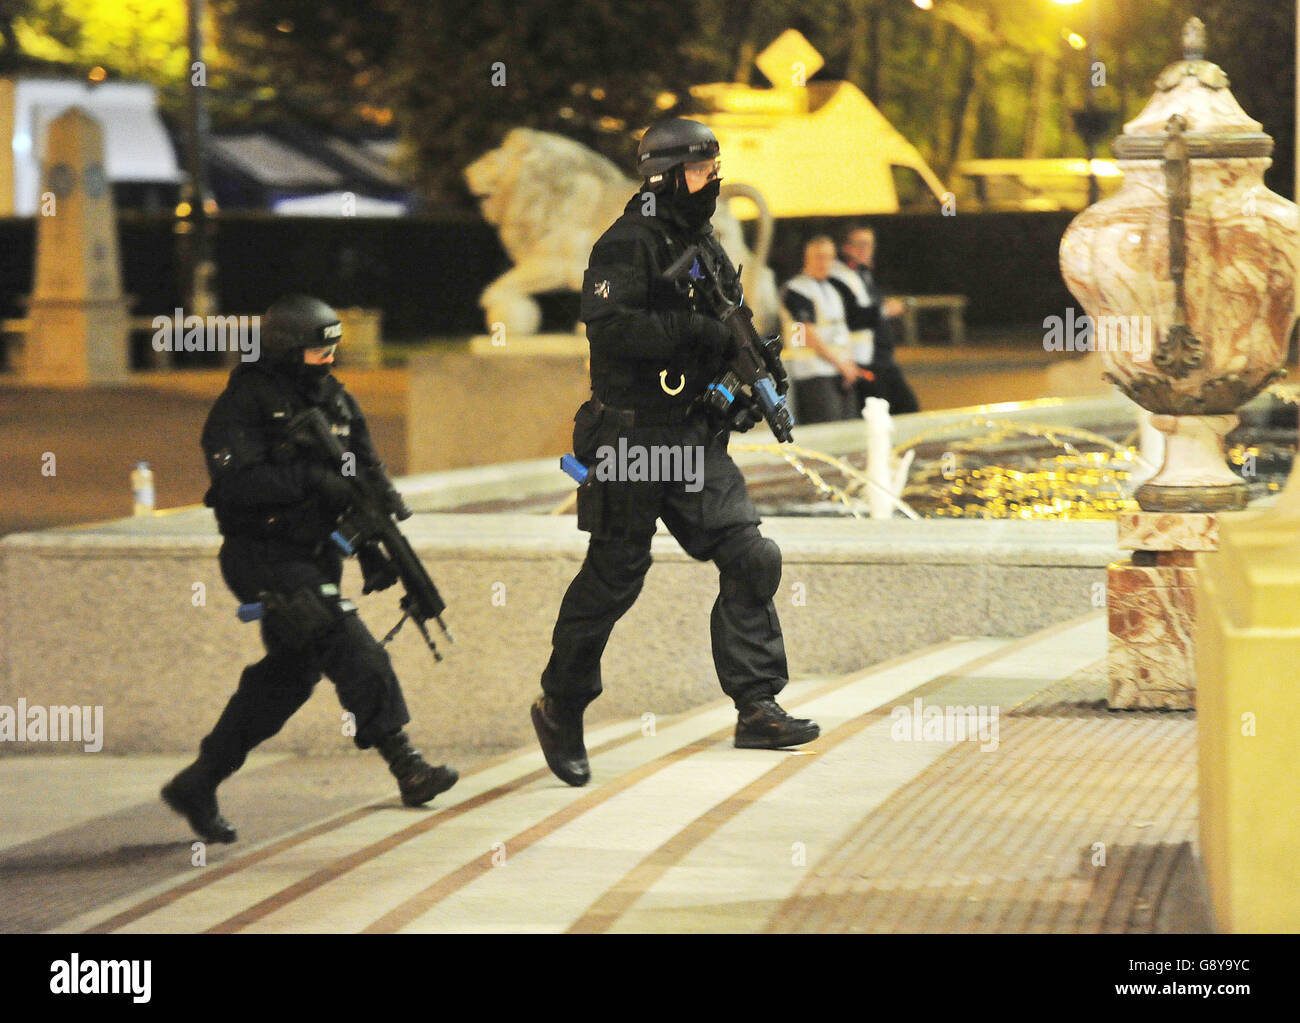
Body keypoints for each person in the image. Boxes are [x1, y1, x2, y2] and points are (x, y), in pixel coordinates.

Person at [531, 117, 820, 787]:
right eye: (700, 171)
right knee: (614, 575)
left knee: (751, 554)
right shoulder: (626, 243)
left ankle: (756, 705)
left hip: (691, 438)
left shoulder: (706, 247)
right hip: (631, 436)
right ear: (663, 175)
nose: (712, 182)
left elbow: (732, 328)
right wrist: (697, 331)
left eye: (715, 169)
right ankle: (561, 706)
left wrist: (744, 386)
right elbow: (610, 324)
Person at [161, 294, 457, 843]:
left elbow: (363, 469)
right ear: (285, 350)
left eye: (333, 350)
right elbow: (233, 486)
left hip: (315, 554)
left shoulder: (338, 403)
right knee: (349, 644)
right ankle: (407, 766)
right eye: (318, 352)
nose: (329, 361)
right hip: (262, 556)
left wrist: (370, 541)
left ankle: (199, 781)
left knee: (291, 676)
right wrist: (311, 481)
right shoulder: (244, 403)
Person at [780, 236, 868, 424]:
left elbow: (840, 332)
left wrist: (849, 365)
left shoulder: (831, 289)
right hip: (814, 373)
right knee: (827, 432)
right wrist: (843, 365)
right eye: (819, 257)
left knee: (848, 432)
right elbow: (807, 334)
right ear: (807, 258)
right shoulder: (797, 289)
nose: (824, 262)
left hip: (839, 372)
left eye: (829, 257)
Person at [834, 225, 920, 416]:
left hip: (881, 358)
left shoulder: (861, 274)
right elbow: (852, 316)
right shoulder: (840, 277)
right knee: (893, 411)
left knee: (904, 409)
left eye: (869, 245)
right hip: (865, 360)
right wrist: (884, 309)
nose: (866, 250)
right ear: (846, 248)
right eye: (860, 244)